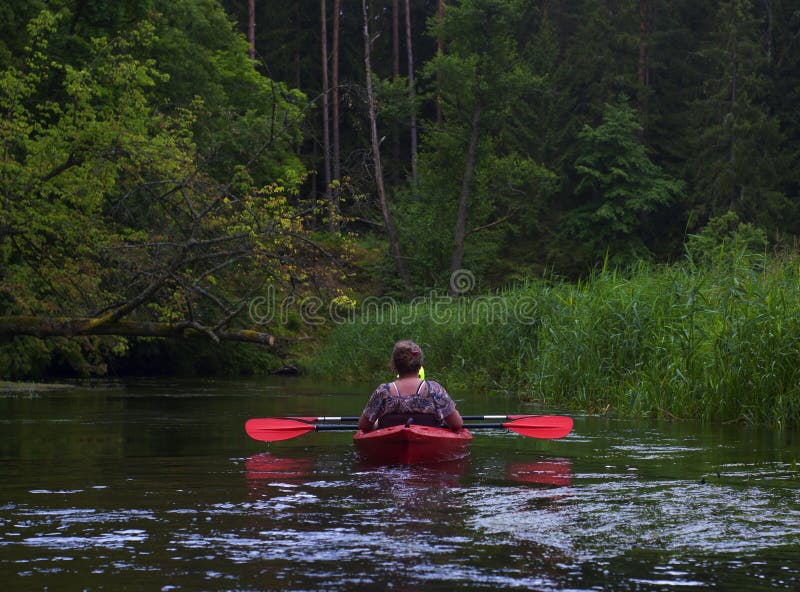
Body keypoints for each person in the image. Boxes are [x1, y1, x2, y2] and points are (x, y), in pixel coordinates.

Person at [357, 340, 464, 432]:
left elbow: (363, 425)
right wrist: (443, 420)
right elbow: (457, 424)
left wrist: (376, 423)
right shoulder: (434, 389)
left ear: (394, 364)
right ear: (420, 364)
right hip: (428, 446)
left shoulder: (383, 391)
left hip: (390, 445)